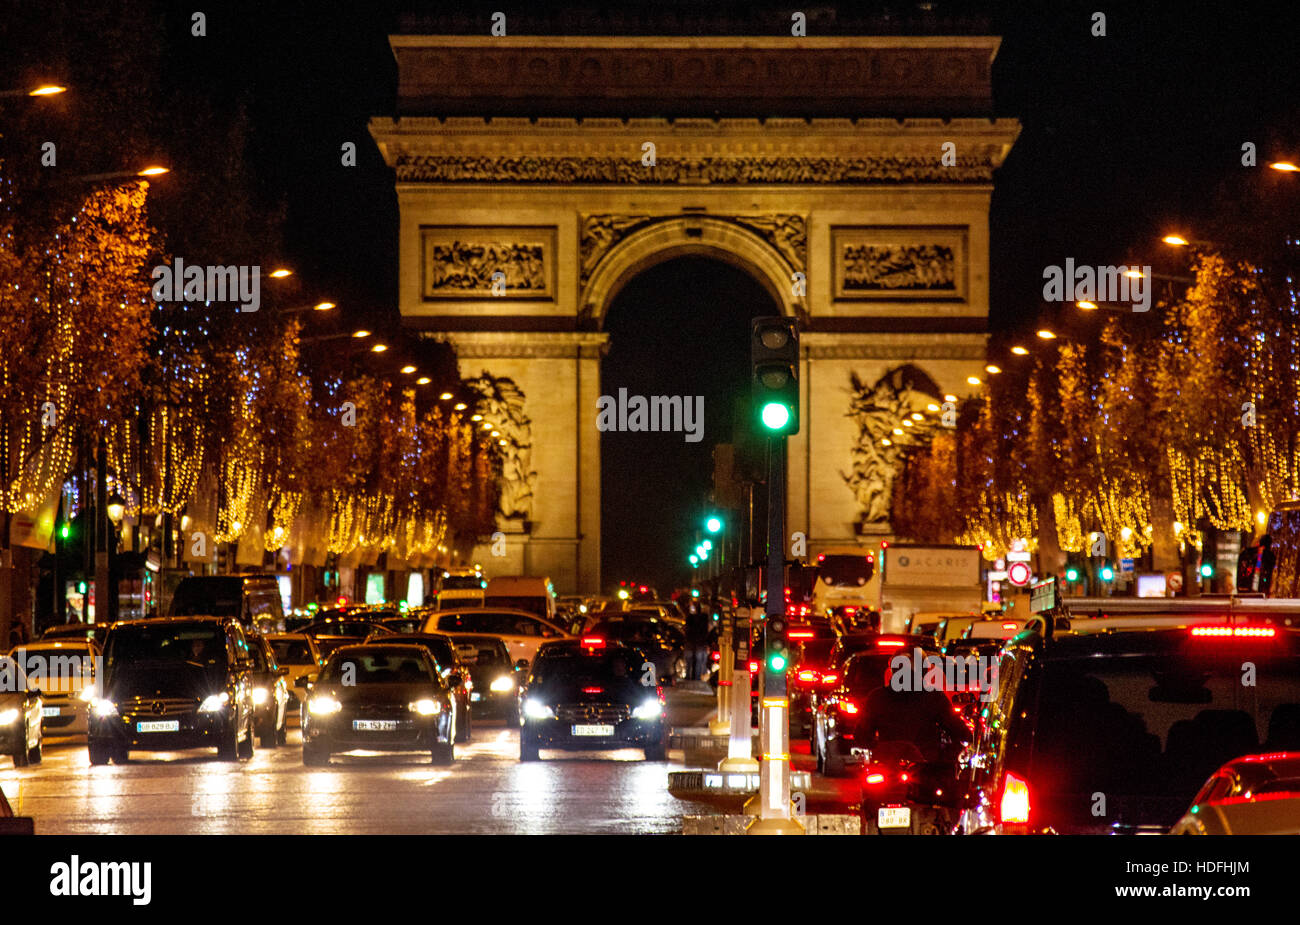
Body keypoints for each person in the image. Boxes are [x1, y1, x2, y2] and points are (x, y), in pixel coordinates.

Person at [858, 663, 971, 765]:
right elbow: (957, 728)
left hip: (886, 762)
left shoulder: (876, 697)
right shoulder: (933, 697)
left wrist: (878, 748)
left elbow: (861, 734)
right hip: (925, 765)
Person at [683, 600, 710, 681]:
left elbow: (687, 630)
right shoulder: (703, 618)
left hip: (693, 642)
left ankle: (690, 676)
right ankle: (696, 677)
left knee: (690, 660)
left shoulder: (691, 618)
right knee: (697, 660)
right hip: (699, 642)